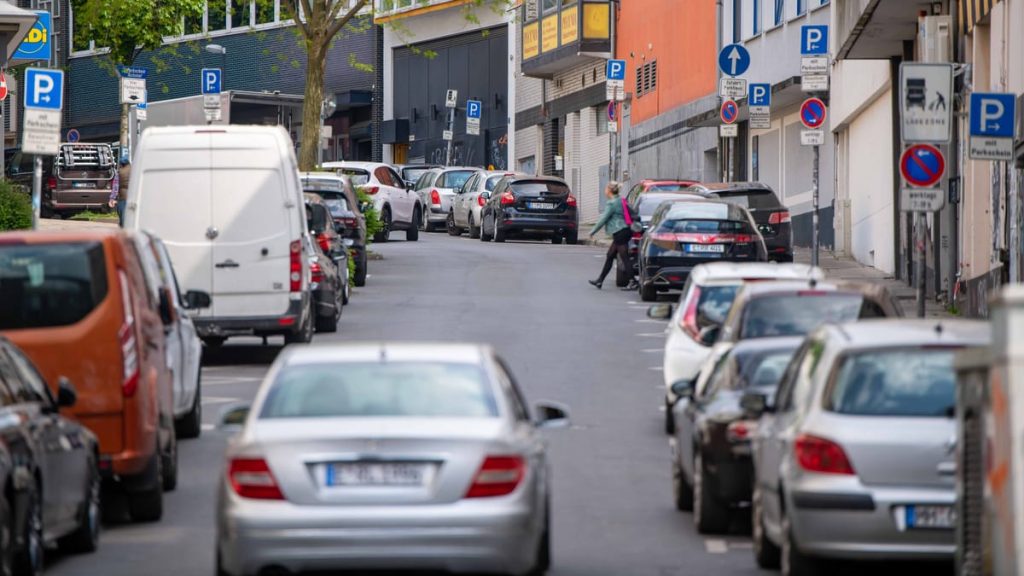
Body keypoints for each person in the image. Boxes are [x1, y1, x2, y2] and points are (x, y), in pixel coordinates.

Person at [588, 181, 639, 290]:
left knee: (624, 257)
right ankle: (600, 280)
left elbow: (603, 219)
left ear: (609, 191)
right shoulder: (621, 200)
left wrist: (592, 231)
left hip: (620, 231)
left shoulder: (612, 203)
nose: (605, 190)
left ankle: (633, 281)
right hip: (624, 231)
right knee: (610, 255)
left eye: (606, 188)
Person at [108, 157, 130, 227]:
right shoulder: (135, 170)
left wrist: (112, 198)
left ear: (120, 164)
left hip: (122, 197)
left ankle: (123, 230)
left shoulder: (119, 172)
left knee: (122, 216)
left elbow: (115, 187)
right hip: (133, 196)